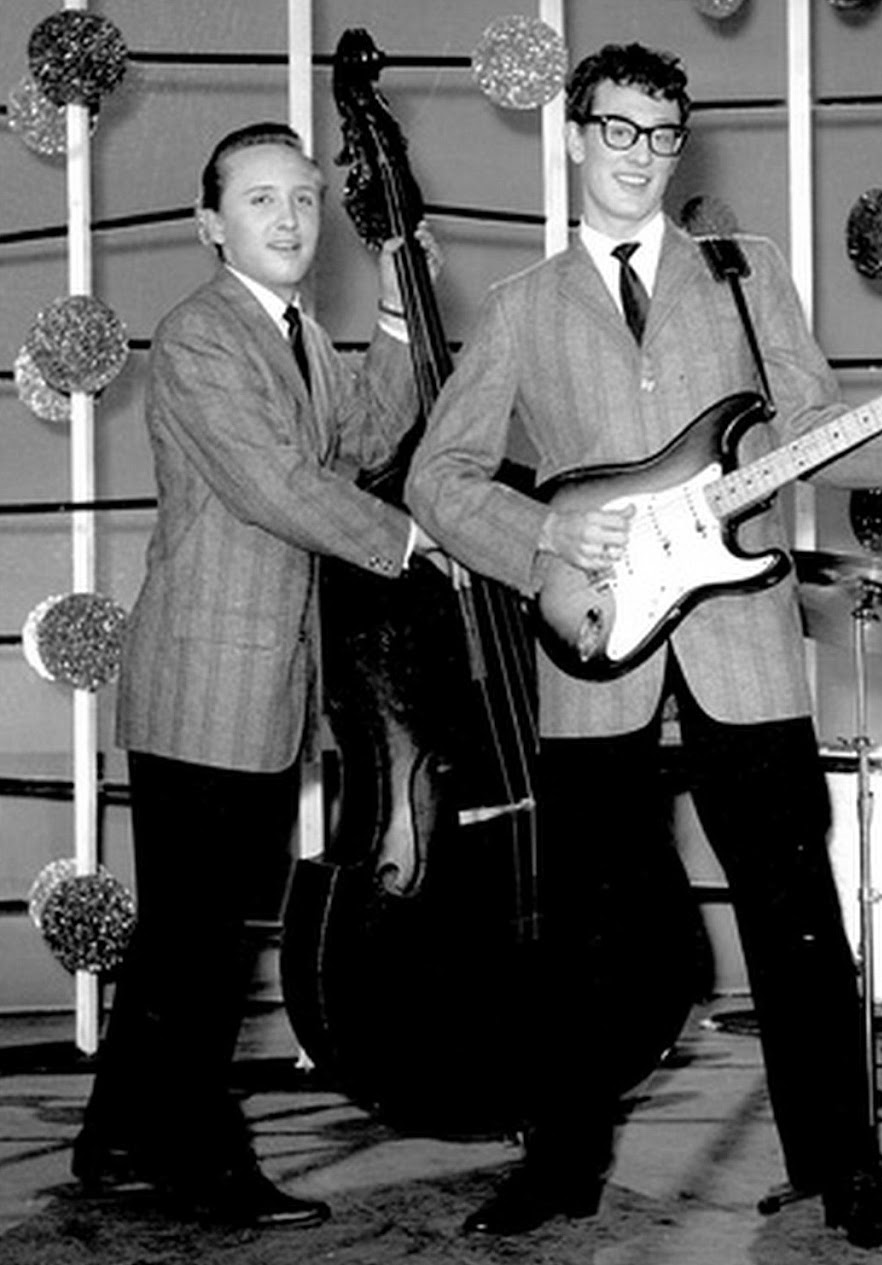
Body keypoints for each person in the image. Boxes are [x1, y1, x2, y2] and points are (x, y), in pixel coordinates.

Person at [405, 42, 882, 1252]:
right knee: (582, 932)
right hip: (595, 648)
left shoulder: (743, 271)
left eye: (663, 136)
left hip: (741, 639)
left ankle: (843, 1172)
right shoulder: (518, 309)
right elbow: (440, 479)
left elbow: (817, 424)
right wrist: (550, 528)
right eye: (618, 131)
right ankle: (558, 1167)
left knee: (794, 916)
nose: (641, 156)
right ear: (572, 136)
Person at [72, 122, 437, 1227]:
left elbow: (369, 431)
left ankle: (115, 1137)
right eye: (262, 200)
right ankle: (201, 1163)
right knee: (201, 949)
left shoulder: (299, 337)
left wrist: (392, 305)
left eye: (305, 199)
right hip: (203, 686)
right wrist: (412, 543)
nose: (289, 219)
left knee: (189, 936)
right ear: (209, 225)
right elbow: (277, 482)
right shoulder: (198, 337)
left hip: (259, 693)